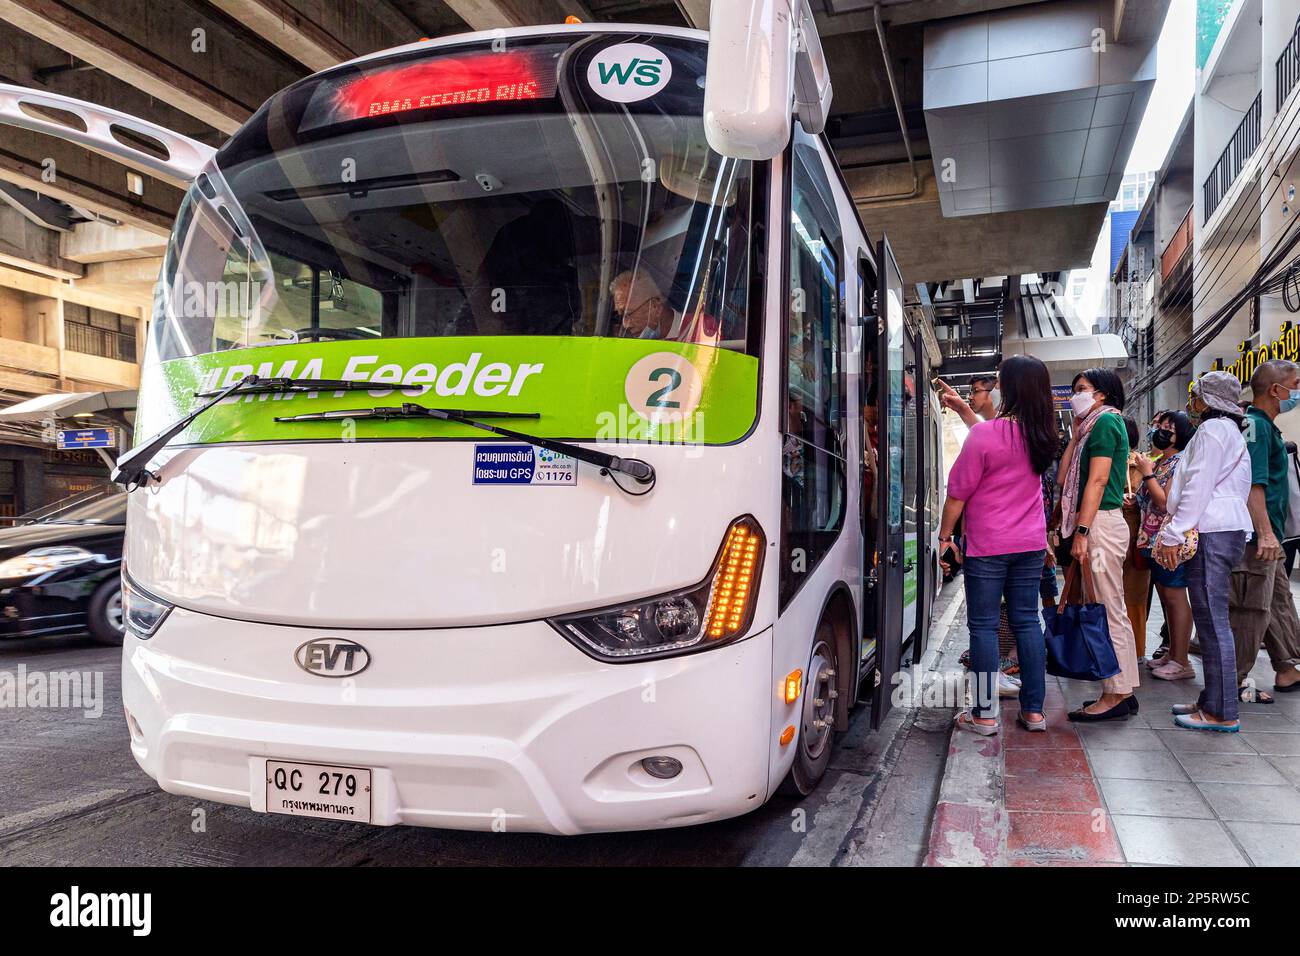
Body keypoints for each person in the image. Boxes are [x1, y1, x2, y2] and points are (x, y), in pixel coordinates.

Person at [940, 355, 1056, 735]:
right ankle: (1035, 712)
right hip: (1030, 545)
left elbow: (957, 494)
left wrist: (944, 538)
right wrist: (962, 409)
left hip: (988, 546)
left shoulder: (986, 436)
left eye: (998, 381)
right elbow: (996, 438)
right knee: (1027, 622)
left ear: (1009, 387)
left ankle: (985, 715)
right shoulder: (1041, 435)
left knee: (984, 628)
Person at [1154, 372, 1252, 732]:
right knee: (1211, 623)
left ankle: (1222, 711)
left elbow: (1198, 485)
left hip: (1212, 530)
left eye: (1195, 395)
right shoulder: (1222, 431)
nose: (1190, 401)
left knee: (1212, 623)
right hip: (1218, 529)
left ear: (1208, 399)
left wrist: (1174, 532)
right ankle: (1212, 701)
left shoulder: (1214, 431)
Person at [1058, 367, 1140, 721]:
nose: (1075, 395)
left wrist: (1082, 531)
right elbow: (1064, 480)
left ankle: (1117, 692)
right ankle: (1122, 688)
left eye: (1082, 389)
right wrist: (1075, 439)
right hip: (1097, 523)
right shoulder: (1089, 429)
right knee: (1106, 605)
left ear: (1102, 394)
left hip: (1100, 526)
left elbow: (1098, 480)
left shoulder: (1106, 422)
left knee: (1108, 608)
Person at [1228, 359, 1300, 700]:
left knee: (1279, 602)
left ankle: (1286, 667)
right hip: (1257, 537)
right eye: (1295, 384)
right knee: (1251, 610)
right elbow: (1253, 485)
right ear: (1276, 390)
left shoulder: (1266, 427)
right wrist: (1265, 534)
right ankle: (1233, 683)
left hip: (1269, 534)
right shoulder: (1254, 427)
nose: (1297, 391)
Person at [1136, 411, 1197, 680]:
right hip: (1152, 540)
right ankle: (1172, 652)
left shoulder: (1179, 462)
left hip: (1169, 540)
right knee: (1166, 597)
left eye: (1166, 428)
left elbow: (1165, 502)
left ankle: (1182, 660)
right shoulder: (1161, 461)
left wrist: (1147, 474)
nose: (1158, 431)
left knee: (1175, 597)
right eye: (1158, 425)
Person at [1120, 416, 1151, 659]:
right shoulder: (1102, 459)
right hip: (1113, 532)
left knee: (1133, 594)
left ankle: (1135, 650)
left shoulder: (1140, 464)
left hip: (1134, 535)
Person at [610, 270, 675, 339]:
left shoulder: (687, 334)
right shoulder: (631, 346)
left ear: (656, 307)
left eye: (628, 314)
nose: (625, 325)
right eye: (620, 316)